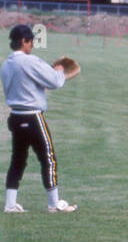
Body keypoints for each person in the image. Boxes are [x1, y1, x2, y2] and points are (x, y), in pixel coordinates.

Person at [3, 24, 79, 214]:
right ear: (24, 41)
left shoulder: (6, 64)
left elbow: (25, 85)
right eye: (30, 41)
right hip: (33, 117)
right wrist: (59, 70)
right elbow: (54, 81)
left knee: (18, 160)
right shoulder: (31, 61)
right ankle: (54, 203)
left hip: (15, 117)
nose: (32, 45)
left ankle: (10, 204)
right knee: (48, 158)